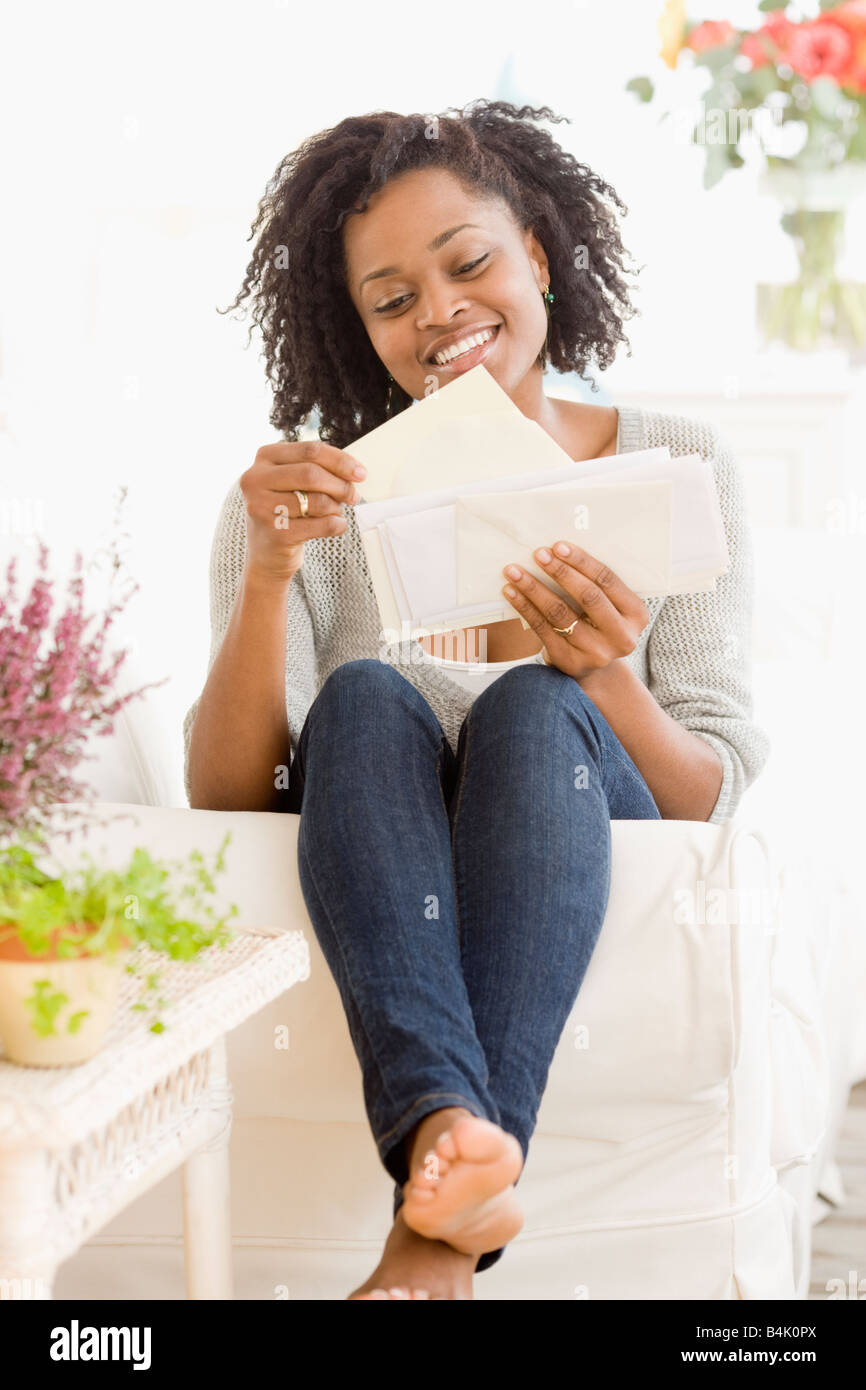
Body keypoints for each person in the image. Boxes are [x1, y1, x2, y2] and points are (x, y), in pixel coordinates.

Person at [183, 100, 771, 1300]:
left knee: (529, 710)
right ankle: (454, 1151)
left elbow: (709, 792)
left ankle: (431, 1228)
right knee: (359, 693)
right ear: (359, 330)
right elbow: (233, 794)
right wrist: (266, 568)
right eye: (391, 299)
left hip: (573, 780)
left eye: (468, 263)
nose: (440, 313)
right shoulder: (310, 504)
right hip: (366, 784)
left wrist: (602, 672)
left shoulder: (677, 462)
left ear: (538, 258)